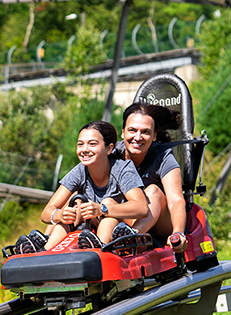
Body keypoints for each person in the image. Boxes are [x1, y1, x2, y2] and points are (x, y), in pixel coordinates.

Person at [15, 120, 148, 254]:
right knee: (72, 209)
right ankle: (45, 251)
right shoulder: (80, 171)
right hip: (92, 225)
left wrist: (102, 209)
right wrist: (60, 215)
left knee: (107, 204)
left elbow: (142, 208)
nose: (84, 149)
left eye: (92, 144)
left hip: (122, 225)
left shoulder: (122, 169)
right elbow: (46, 213)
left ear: (109, 148)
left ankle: (99, 249)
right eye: (80, 144)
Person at [114, 102, 188, 253]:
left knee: (153, 191)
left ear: (154, 136)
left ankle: (130, 238)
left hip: (158, 221)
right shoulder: (112, 154)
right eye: (132, 130)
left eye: (145, 132)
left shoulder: (163, 157)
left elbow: (176, 200)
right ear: (122, 133)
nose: (138, 137)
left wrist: (178, 232)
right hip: (124, 217)